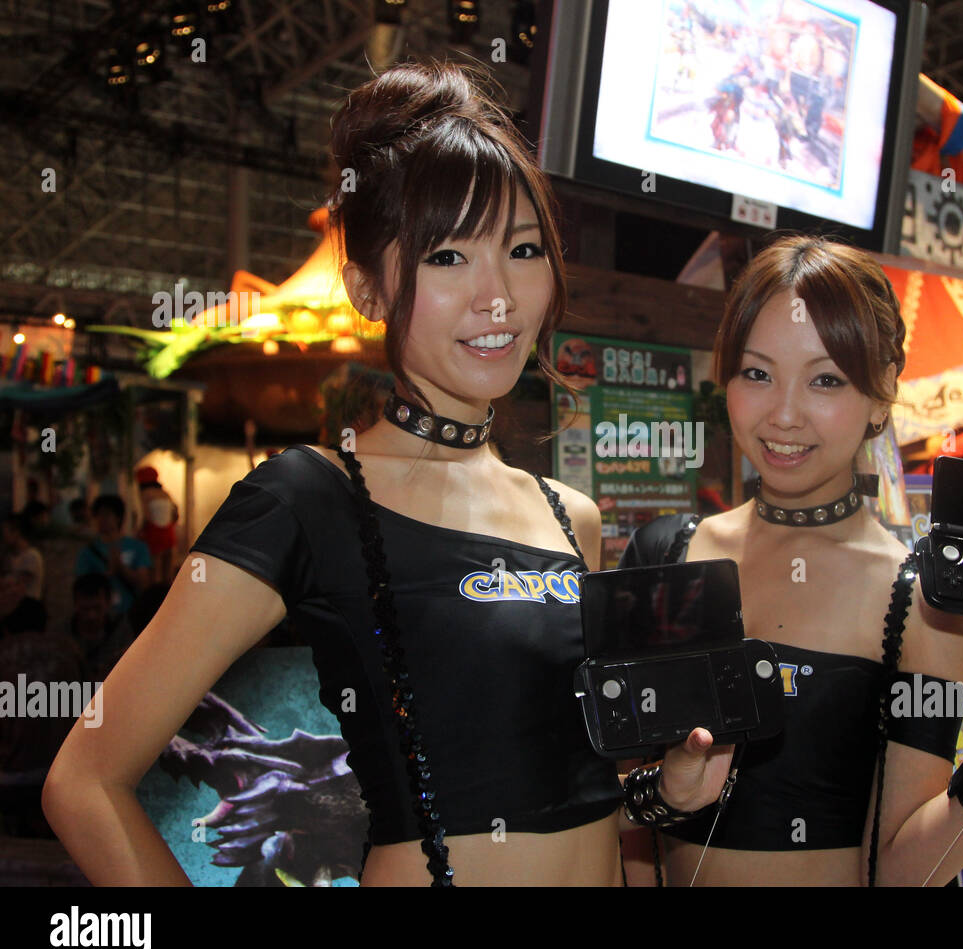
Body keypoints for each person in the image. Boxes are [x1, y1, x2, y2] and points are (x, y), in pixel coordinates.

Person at [42, 60, 729, 887]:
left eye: (521, 249)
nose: (499, 296)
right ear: (368, 288)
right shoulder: (305, 500)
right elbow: (84, 781)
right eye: (447, 256)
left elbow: (567, 786)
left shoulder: (567, 514)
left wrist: (665, 790)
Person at [619, 235, 963, 885]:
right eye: (757, 372)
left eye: (826, 379)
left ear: (883, 391)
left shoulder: (924, 603)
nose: (785, 413)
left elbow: (905, 872)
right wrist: (667, 792)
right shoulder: (663, 557)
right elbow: (613, 820)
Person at [74, 494, 153, 617]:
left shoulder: (138, 547)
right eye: (97, 515)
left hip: (132, 612)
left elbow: (143, 582)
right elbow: (83, 585)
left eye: (106, 514)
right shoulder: (88, 552)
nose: (101, 519)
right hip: (102, 616)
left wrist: (121, 568)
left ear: (118, 517)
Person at [134, 466, 179, 584]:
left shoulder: (144, 493)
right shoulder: (165, 493)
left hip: (154, 531)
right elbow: (175, 513)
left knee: (156, 571)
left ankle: (156, 598)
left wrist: (139, 532)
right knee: (169, 572)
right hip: (168, 532)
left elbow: (145, 516)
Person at [2, 512, 44, 601]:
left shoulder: (32, 556)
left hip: (27, 608)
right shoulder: (9, 555)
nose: (3, 537)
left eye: (5, 533)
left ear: (16, 532)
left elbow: (17, 585)